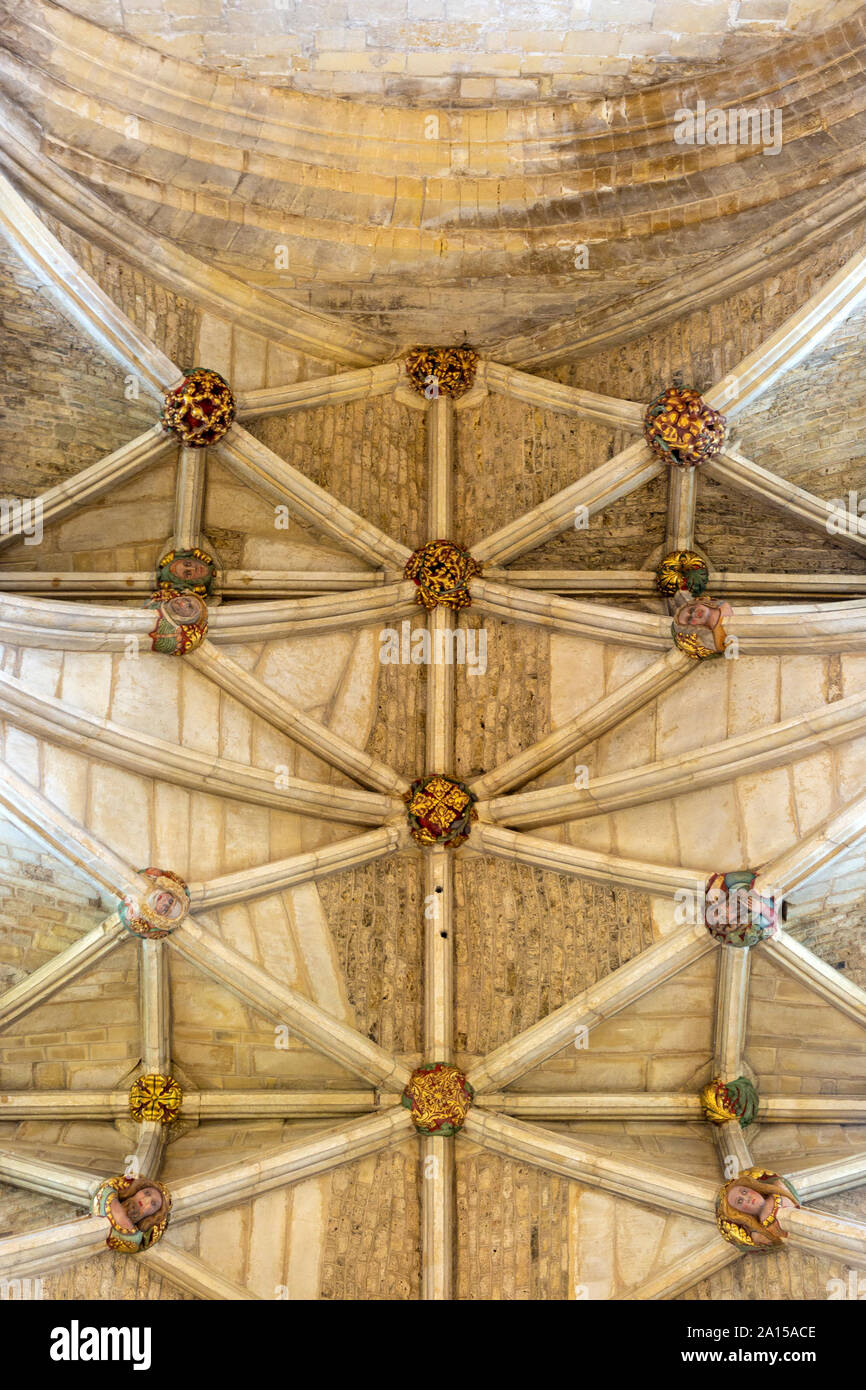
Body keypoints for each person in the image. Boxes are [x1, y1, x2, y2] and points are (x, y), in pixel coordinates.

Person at [716, 1168, 800, 1250]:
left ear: (753, 1188)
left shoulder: (779, 1188)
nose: (747, 1198)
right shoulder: (759, 1235)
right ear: (740, 1212)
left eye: (744, 1192)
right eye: (740, 1201)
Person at [93, 1175, 172, 1254]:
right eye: (147, 1193)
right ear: (137, 1190)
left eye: (153, 1203)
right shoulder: (107, 1193)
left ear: (153, 1215)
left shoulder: (132, 1239)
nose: (146, 1200)